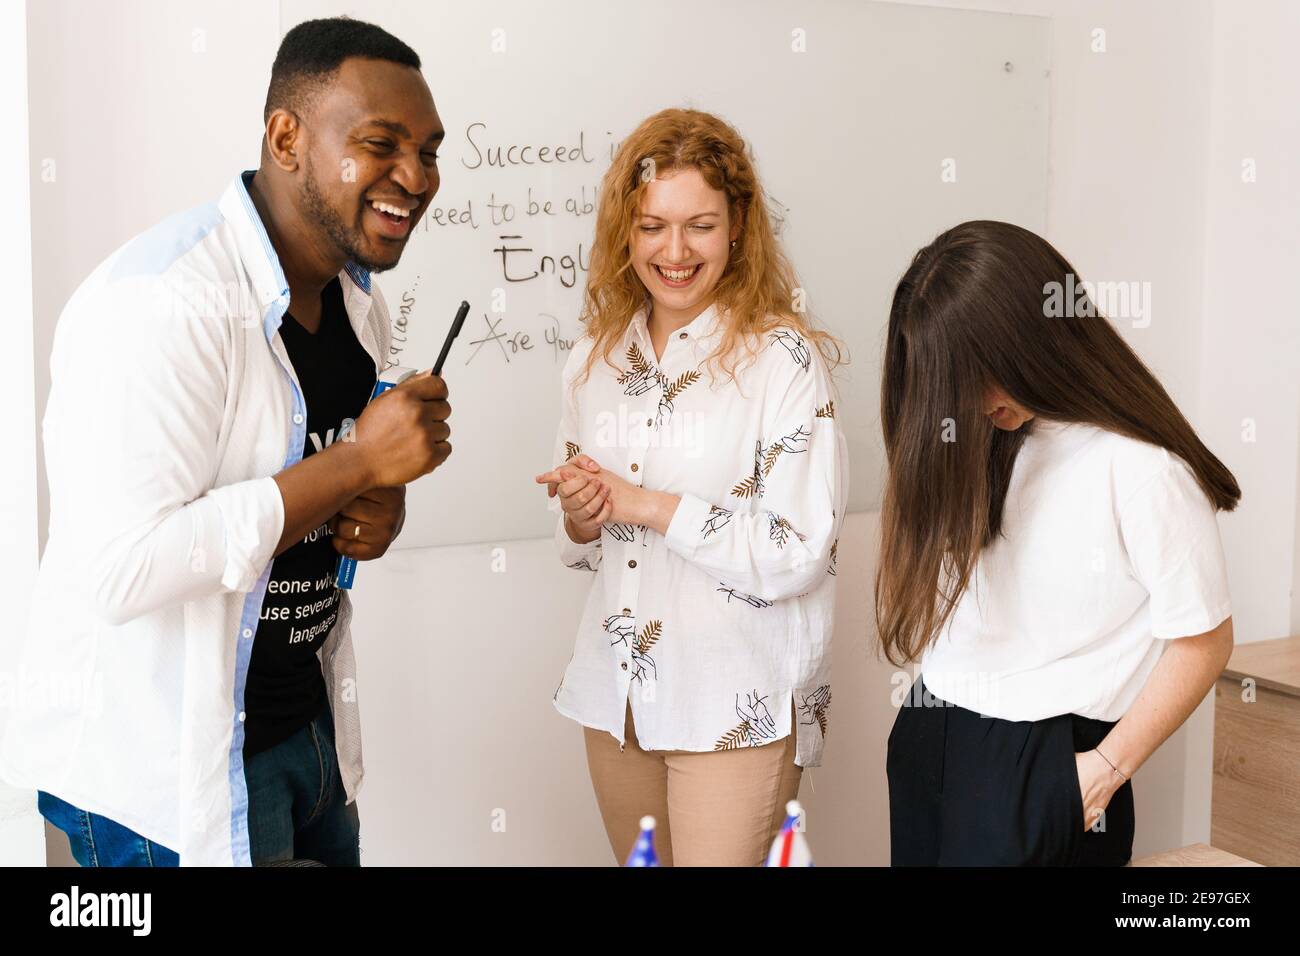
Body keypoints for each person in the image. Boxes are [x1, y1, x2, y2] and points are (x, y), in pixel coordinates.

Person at [0, 17, 452, 866]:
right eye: (381, 144)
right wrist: (356, 460)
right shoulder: (162, 302)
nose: (415, 177)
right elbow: (123, 567)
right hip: (165, 775)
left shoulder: (358, 305)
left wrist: (371, 508)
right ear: (285, 137)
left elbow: (300, 495)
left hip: (305, 733)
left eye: (428, 151)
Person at [535, 108, 849, 866]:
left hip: (733, 702)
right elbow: (580, 553)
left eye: (700, 225)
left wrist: (642, 503)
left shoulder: (783, 361)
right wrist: (582, 517)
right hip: (619, 702)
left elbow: (798, 550)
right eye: (651, 226)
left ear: (738, 226)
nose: (674, 252)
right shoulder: (593, 360)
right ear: (625, 231)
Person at [877, 220, 1237, 866]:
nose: (968, 399)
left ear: (1031, 341)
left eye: (976, 374)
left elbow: (1204, 640)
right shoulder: (990, 434)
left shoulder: (1141, 469)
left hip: (1040, 765)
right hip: (932, 731)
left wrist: (1101, 771)